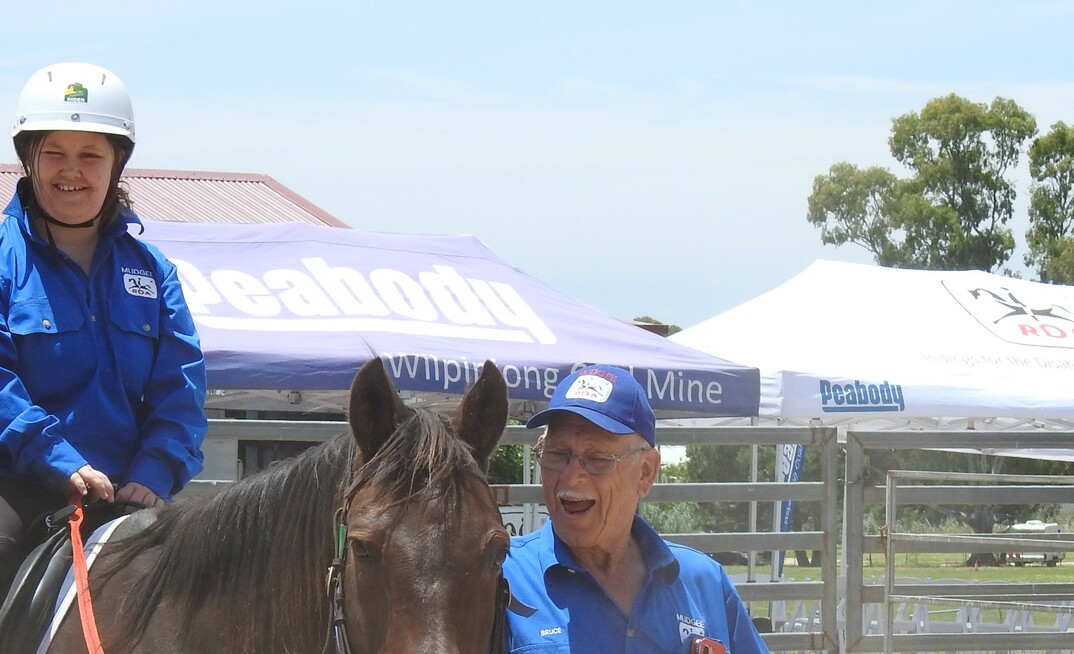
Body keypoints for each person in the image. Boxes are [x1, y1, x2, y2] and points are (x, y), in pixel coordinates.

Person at [0, 62, 208, 599]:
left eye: (90, 154)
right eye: (55, 154)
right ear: (30, 160)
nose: (72, 171)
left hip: (134, 493)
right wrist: (61, 463)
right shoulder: (2, 263)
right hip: (20, 488)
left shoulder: (154, 271)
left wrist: (155, 472)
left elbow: (180, 389)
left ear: (117, 163)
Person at [502, 364, 769, 654]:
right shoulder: (500, 579)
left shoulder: (705, 582)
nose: (570, 476)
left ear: (645, 473)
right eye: (557, 454)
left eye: (597, 457)